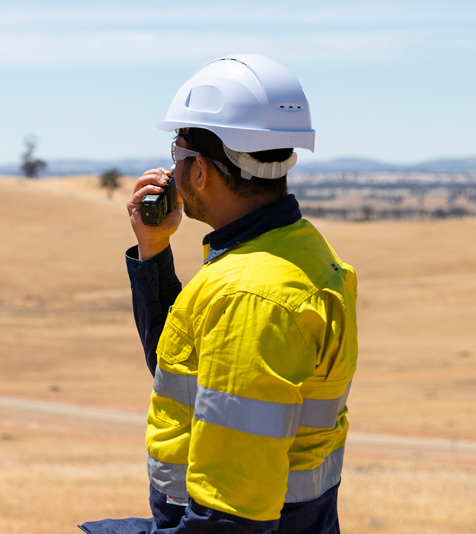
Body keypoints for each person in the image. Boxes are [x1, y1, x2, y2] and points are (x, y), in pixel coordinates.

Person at [81, 54, 357, 534]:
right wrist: (153, 252)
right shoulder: (300, 252)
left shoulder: (249, 297)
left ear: (202, 171)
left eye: (178, 153)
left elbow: (229, 521)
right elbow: (191, 376)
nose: (174, 168)